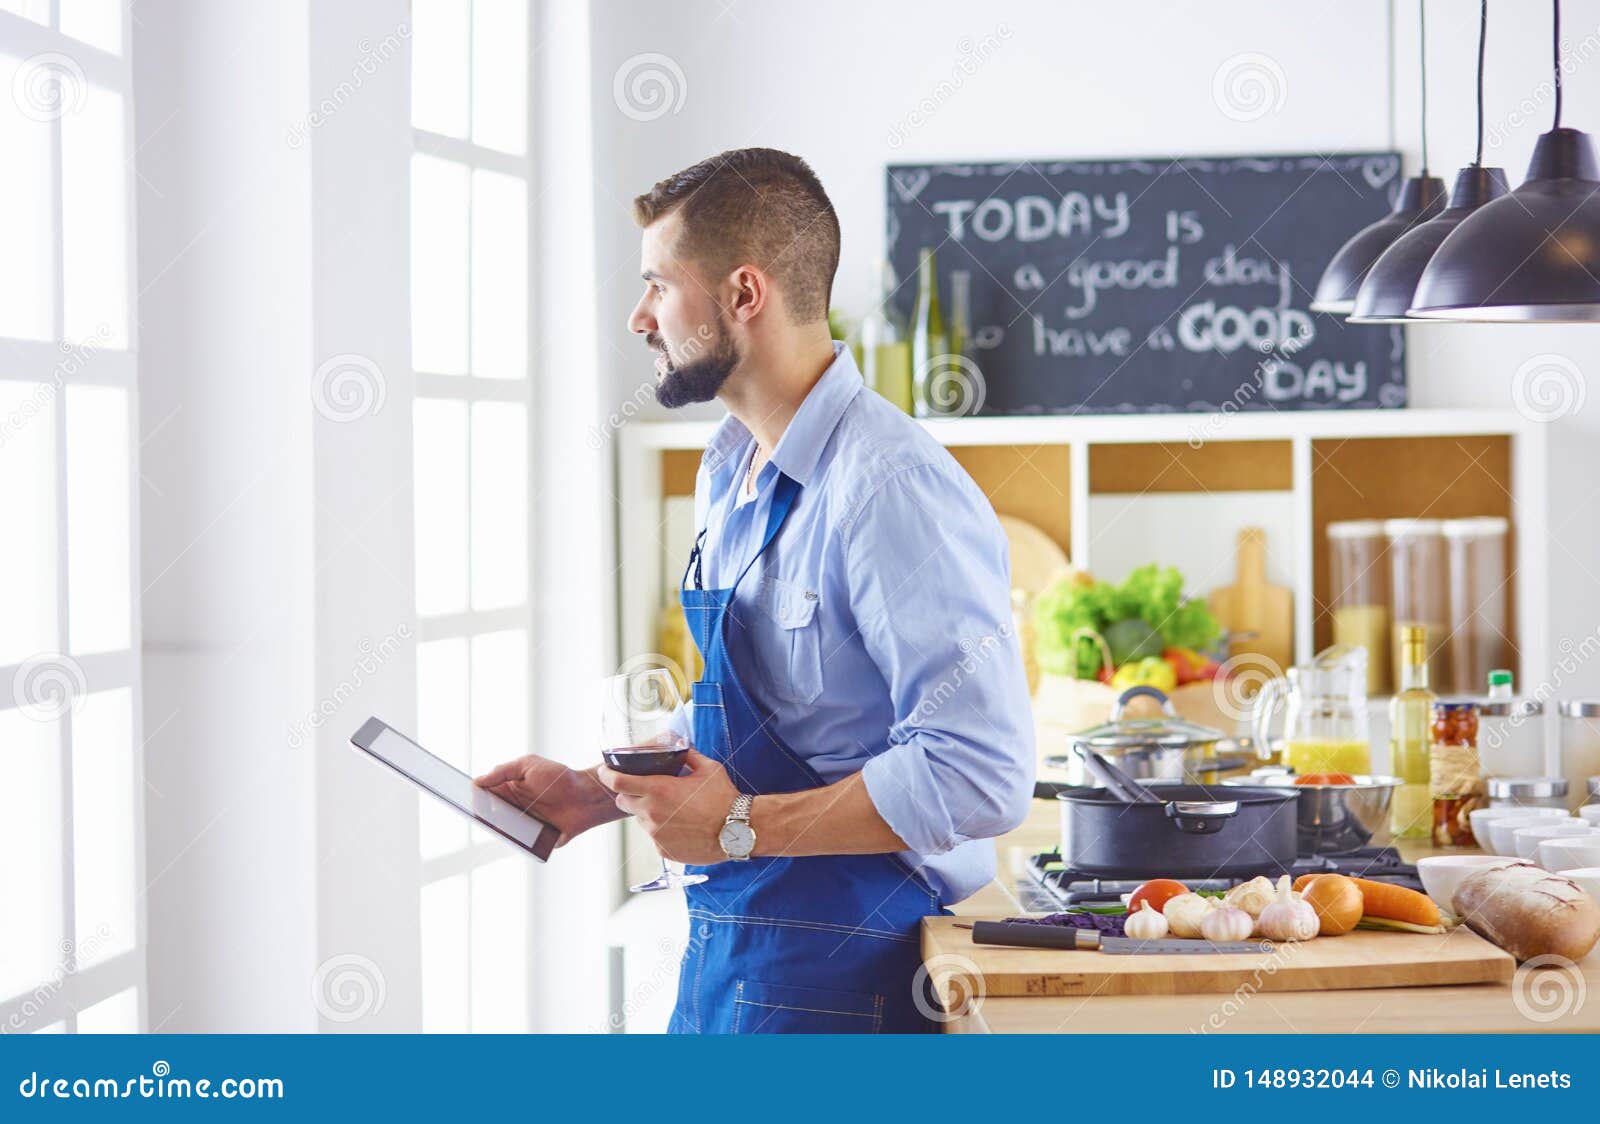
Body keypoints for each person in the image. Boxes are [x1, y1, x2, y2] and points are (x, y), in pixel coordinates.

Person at [476, 147, 1033, 1033]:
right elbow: (765, 711)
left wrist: (737, 827)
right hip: (733, 953)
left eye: (659, 285)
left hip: (856, 971)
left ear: (744, 295)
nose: (638, 316)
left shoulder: (889, 487)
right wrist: (596, 790)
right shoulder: (729, 465)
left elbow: (979, 773)